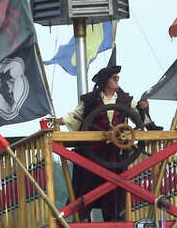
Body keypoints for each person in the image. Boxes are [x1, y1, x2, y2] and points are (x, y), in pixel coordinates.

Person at [59, 64, 154, 219]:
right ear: (105, 81)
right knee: (87, 184)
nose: (117, 80)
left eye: (117, 77)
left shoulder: (125, 100)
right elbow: (75, 117)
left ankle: (115, 216)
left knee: (116, 187)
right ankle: (83, 217)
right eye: (114, 77)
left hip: (115, 153)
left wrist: (143, 108)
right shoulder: (90, 100)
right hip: (92, 151)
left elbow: (138, 116)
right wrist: (57, 122)